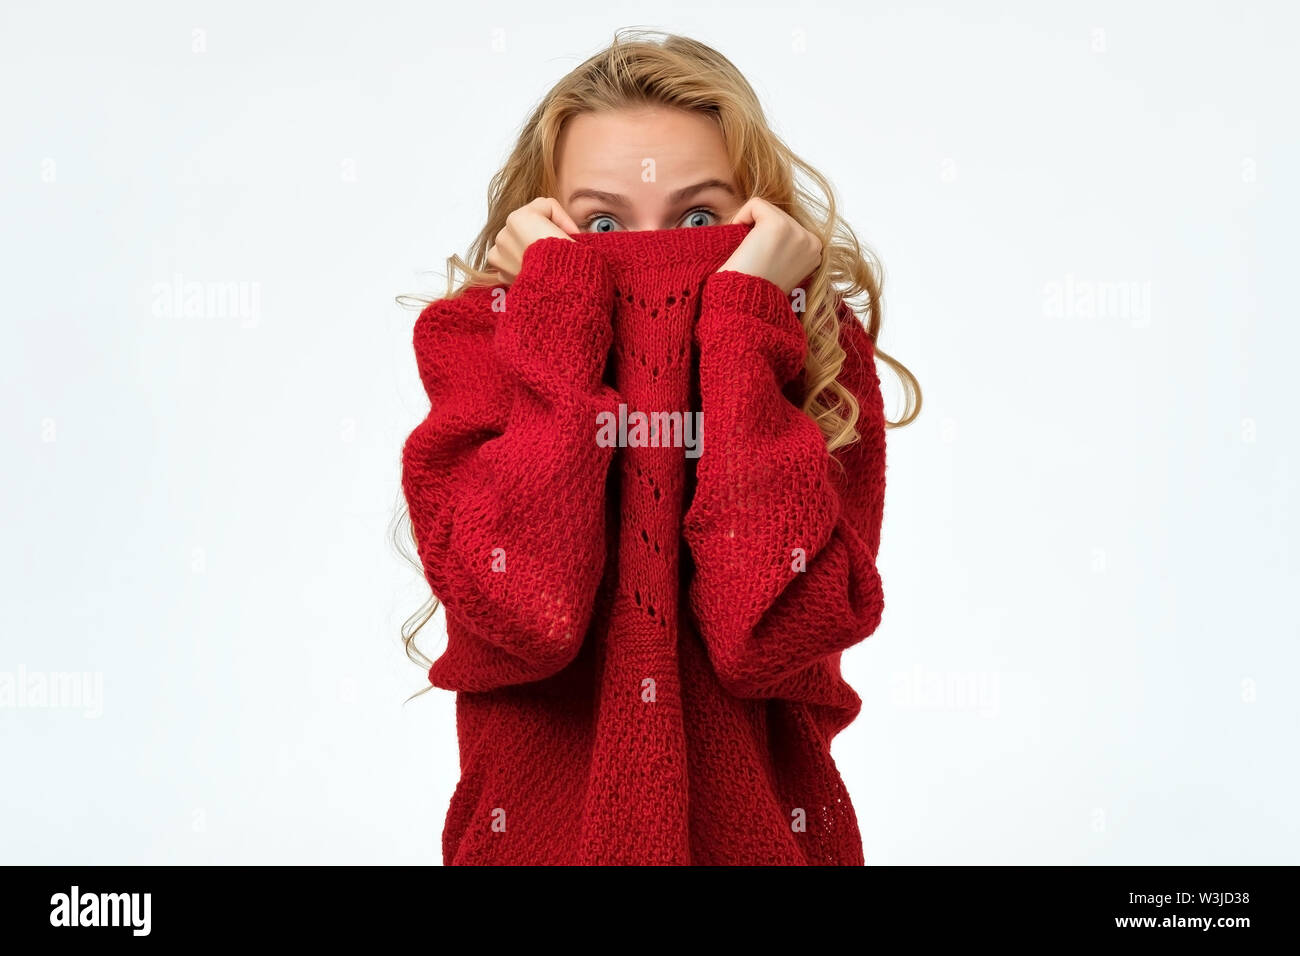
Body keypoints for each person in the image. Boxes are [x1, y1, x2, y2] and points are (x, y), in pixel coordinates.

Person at [397, 28, 921, 865]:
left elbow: (765, 640)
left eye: (702, 217)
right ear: (540, 222)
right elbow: (529, 610)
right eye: (602, 221)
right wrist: (559, 314)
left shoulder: (813, 352)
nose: (653, 249)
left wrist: (747, 328)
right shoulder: (479, 346)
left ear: (760, 219)